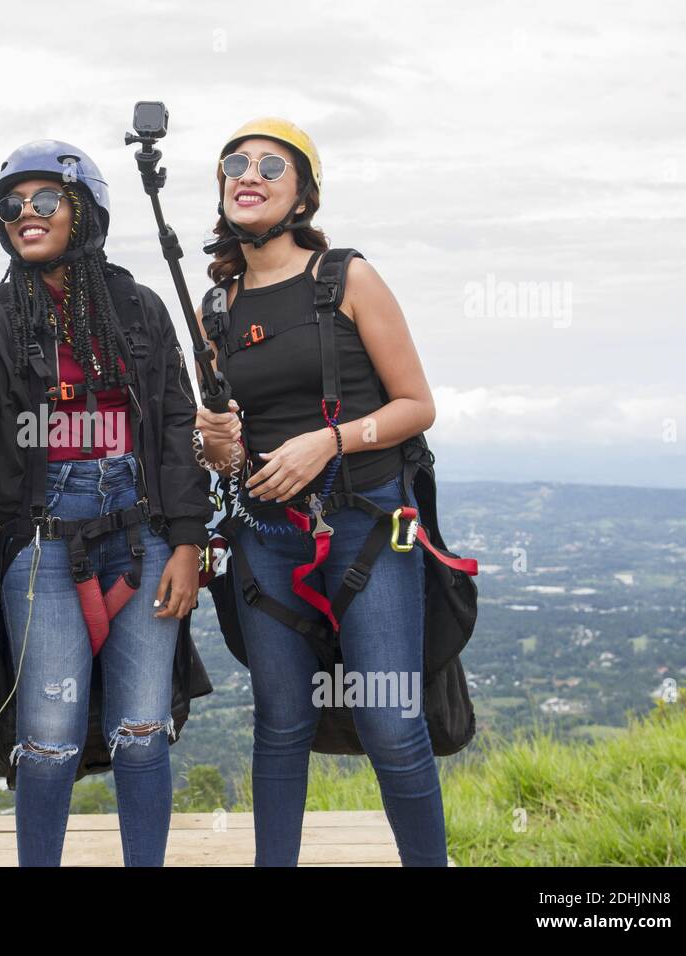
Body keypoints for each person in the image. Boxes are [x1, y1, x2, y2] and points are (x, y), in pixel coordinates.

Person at [0, 140, 211, 866]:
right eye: (11, 205)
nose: (26, 213)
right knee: (47, 741)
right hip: (43, 543)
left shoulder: (138, 308)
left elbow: (176, 423)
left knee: (143, 732)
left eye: (45, 199)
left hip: (141, 534)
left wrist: (185, 542)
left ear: (85, 211)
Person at [194, 118, 447, 866]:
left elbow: (415, 405)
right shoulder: (217, 305)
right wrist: (216, 449)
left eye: (273, 165)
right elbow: (224, 450)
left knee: (392, 721)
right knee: (279, 721)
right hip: (265, 537)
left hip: (365, 523)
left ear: (303, 192)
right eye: (235, 163)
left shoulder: (345, 278)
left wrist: (329, 440)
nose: (251, 173)